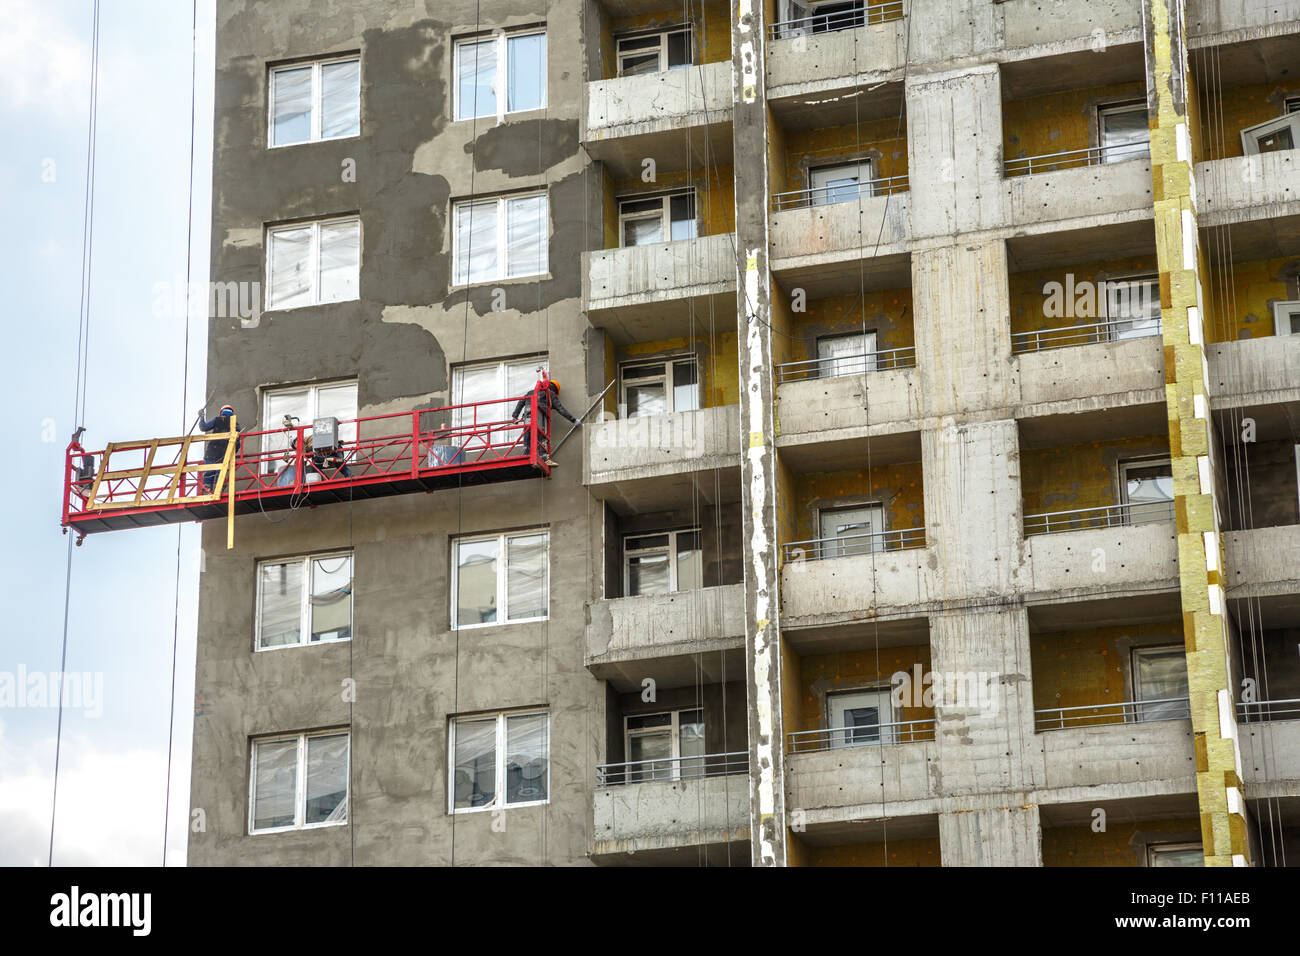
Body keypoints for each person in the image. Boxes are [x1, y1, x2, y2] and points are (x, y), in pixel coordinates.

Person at [512, 378, 578, 468]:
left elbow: (521, 402)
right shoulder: (550, 394)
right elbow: (560, 409)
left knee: (528, 436)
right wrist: (573, 420)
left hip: (527, 417)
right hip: (540, 418)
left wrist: (515, 416)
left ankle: (526, 456)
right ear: (554, 389)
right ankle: (544, 458)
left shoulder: (530, 392)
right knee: (541, 437)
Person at [197, 404, 250, 491]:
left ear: (221, 412)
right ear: (232, 413)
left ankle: (207, 488)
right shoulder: (236, 425)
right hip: (224, 453)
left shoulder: (217, 420)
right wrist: (233, 451)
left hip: (212, 451)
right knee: (220, 472)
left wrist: (202, 417)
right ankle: (219, 487)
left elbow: (203, 427)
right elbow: (237, 443)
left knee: (209, 472)